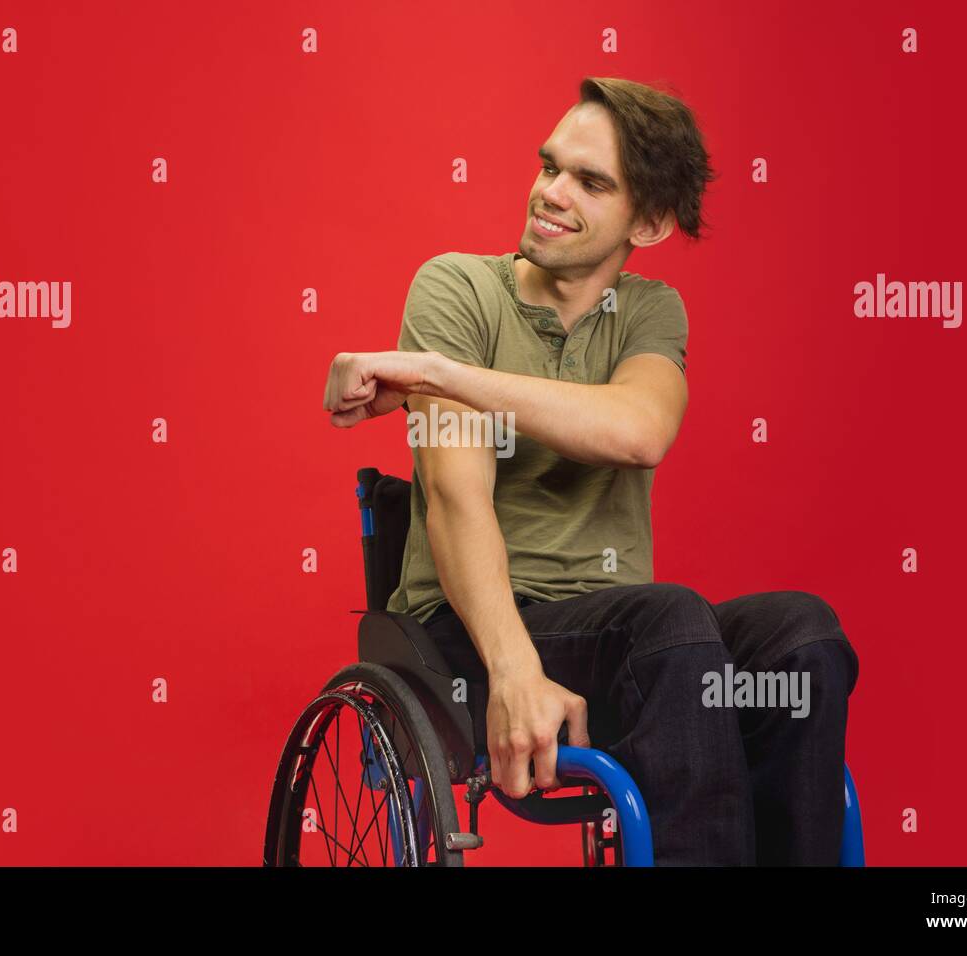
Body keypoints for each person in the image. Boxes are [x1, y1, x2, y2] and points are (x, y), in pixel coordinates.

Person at [321, 76, 858, 865]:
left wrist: (442, 374)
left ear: (647, 223)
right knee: (671, 621)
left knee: (801, 634)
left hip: (630, 643)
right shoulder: (457, 288)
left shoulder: (649, 311)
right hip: (472, 636)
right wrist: (514, 670)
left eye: (589, 181)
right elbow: (454, 498)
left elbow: (638, 431)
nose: (551, 193)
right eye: (550, 167)